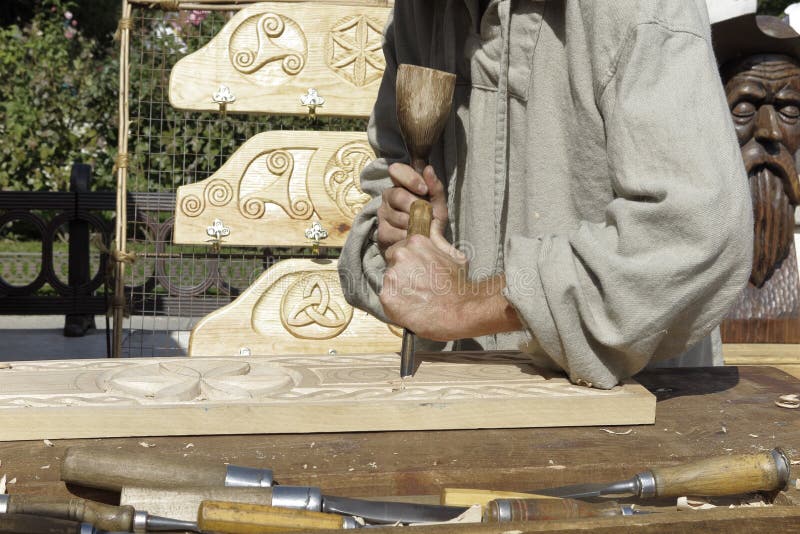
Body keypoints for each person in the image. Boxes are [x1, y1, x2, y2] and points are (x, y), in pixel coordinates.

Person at [338, 0, 753, 389]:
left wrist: (466, 305)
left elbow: (696, 231)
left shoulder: (640, 8)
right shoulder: (420, 10)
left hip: (636, 411)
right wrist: (406, 234)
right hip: (461, 397)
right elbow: (386, 180)